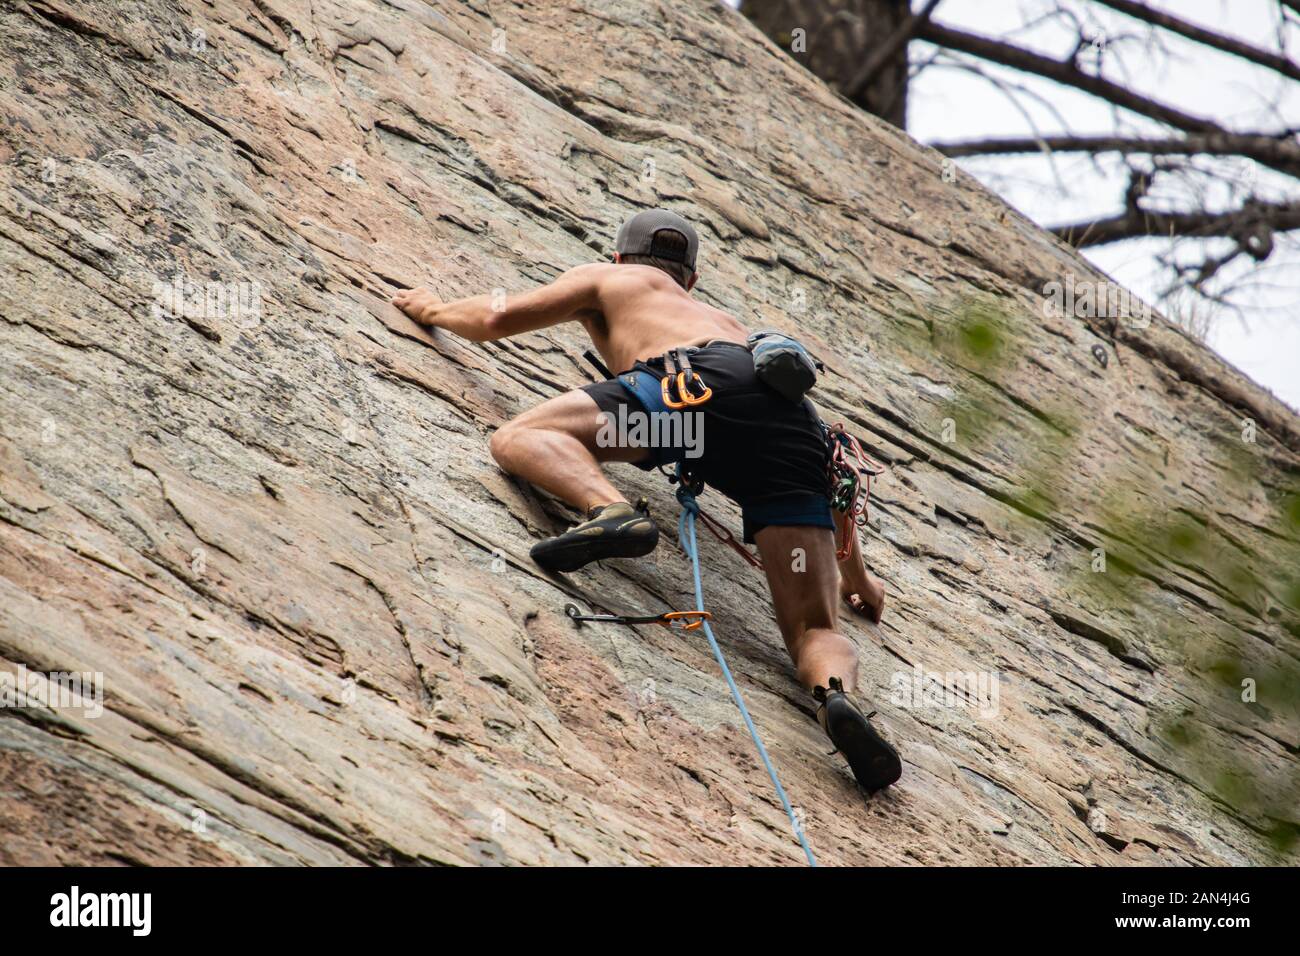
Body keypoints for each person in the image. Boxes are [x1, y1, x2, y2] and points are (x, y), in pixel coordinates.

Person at [392, 209, 901, 793]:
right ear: (691, 278)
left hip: (691, 402)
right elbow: (837, 478)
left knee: (522, 437)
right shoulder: (731, 322)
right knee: (814, 626)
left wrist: (431, 309)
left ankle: (611, 512)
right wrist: (856, 573)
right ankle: (835, 699)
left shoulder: (614, 281)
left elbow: (496, 316)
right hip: (793, 432)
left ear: (618, 258)